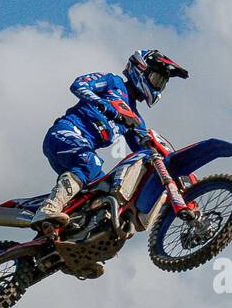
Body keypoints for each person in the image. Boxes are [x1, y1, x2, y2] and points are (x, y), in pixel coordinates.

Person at [30, 49, 189, 243]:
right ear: (141, 68)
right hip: (64, 134)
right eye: (157, 79)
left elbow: (146, 150)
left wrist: (173, 174)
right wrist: (104, 104)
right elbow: (78, 85)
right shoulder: (113, 82)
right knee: (91, 163)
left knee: (103, 190)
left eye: (162, 84)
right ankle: (48, 210)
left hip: (81, 152)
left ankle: (69, 236)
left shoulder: (135, 119)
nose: (158, 87)